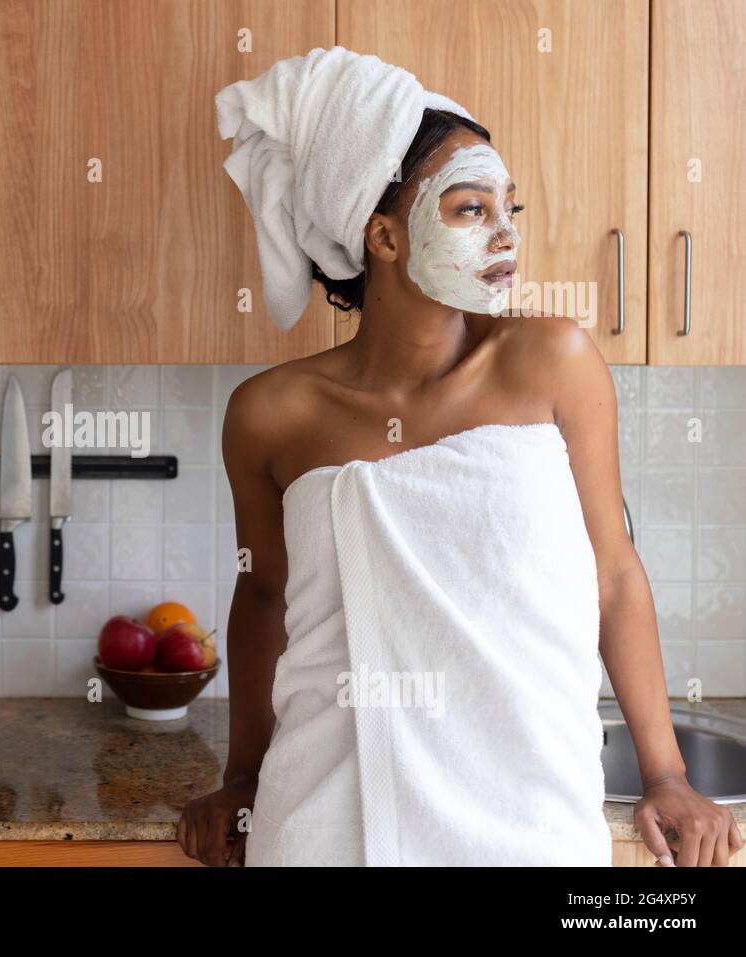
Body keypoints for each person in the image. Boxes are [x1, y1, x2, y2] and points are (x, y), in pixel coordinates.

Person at [177, 48, 743, 867]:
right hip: (328, 824)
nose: (508, 233)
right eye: (471, 209)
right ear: (384, 236)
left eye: (511, 207)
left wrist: (666, 772)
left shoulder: (552, 361)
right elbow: (263, 593)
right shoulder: (270, 414)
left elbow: (612, 571)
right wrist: (240, 775)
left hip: (526, 826)